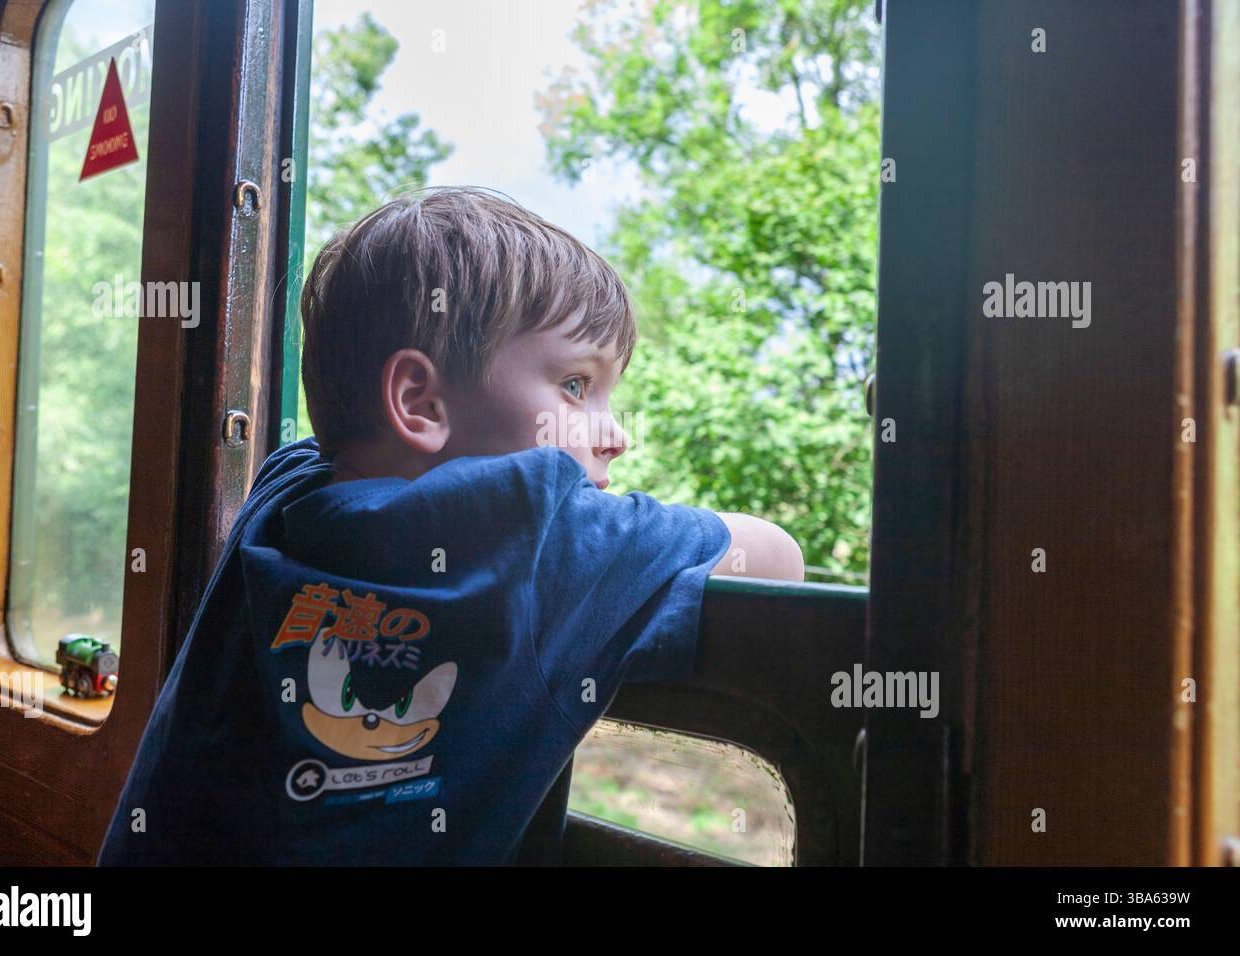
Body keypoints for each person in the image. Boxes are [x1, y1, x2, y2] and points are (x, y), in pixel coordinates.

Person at [97, 186, 804, 866]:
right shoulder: (534, 537)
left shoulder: (282, 486)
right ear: (418, 401)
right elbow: (777, 558)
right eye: (576, 386)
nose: (615, 434)